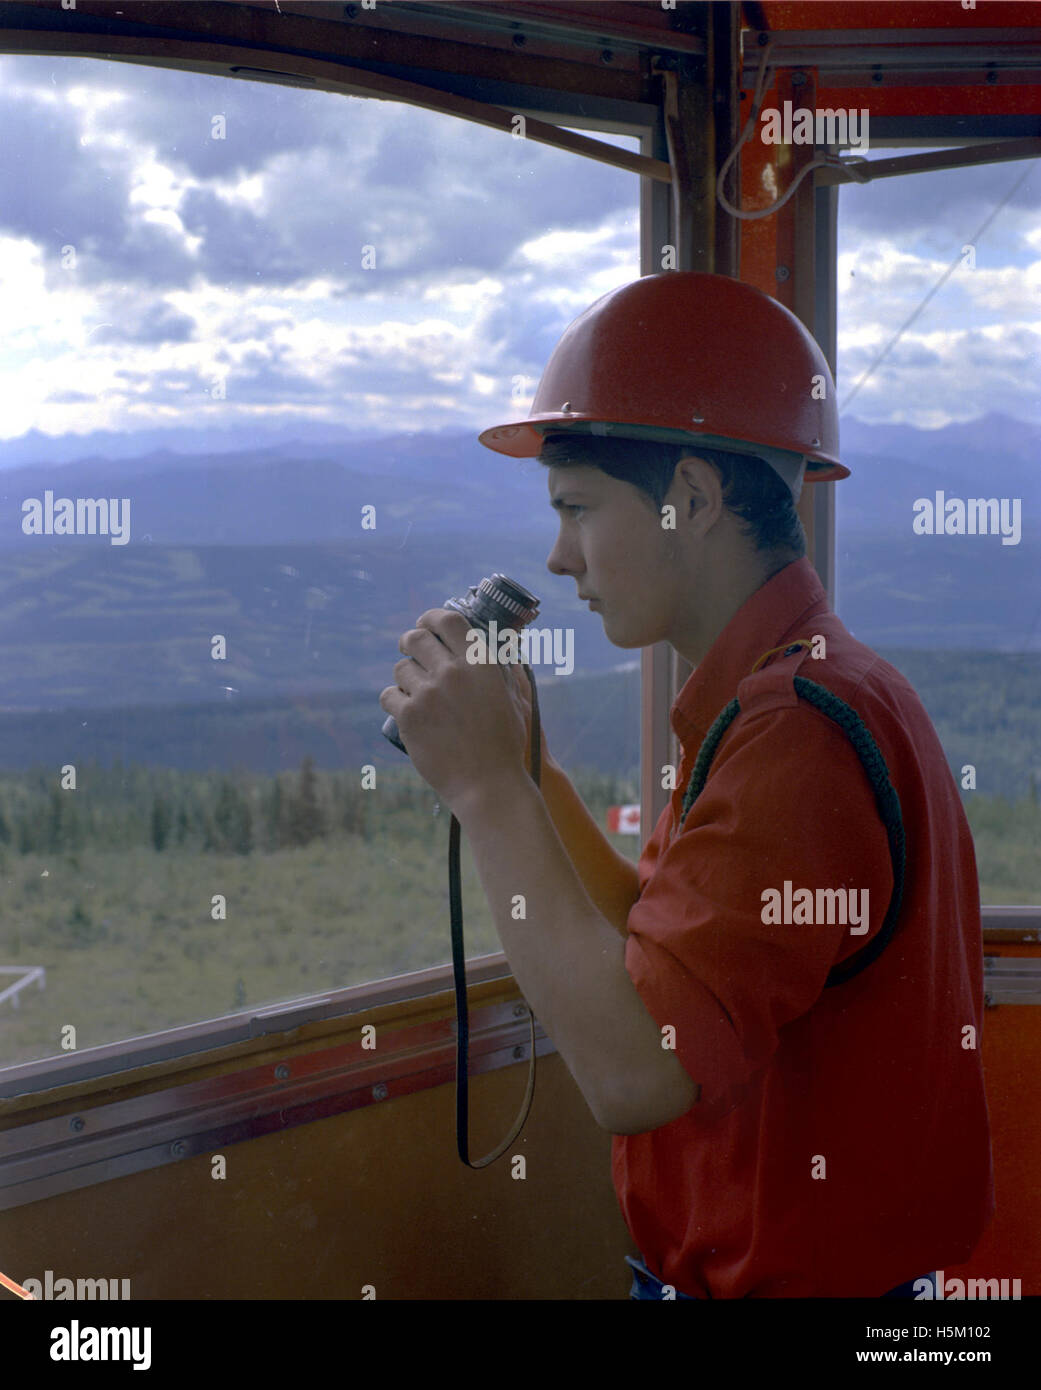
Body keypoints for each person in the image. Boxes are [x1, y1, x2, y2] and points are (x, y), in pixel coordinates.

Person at [378, 271, 994, 1298]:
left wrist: (487, 791)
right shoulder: (788, 694)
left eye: (577, 508)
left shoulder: (797, 737)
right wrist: (528, 770)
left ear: (693, 499)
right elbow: (657, 951)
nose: (558, 555)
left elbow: (635, 1069)